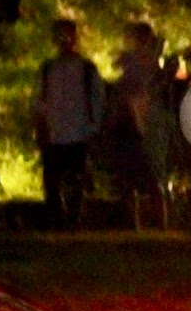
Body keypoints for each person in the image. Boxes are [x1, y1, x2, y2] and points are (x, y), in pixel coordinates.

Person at [104, 21, 175, 228]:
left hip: (145, 123)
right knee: (138, 179)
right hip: (132, 123)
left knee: (149, 179)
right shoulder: (140, 62)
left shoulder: (148, 64)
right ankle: (141, 223)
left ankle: (155, 223)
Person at [35, 20, 104, 230]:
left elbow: (96, 100)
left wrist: (93, 128)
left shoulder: (86, 68)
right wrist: (40, 126)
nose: (64, 41)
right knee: (52, 182)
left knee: (76, 180)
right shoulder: (47, 68)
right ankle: (57, 222)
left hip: (78, 131)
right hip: (54, 132)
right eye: (60, 37)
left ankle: (73, 221)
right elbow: (38, 100)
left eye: (68, 36)